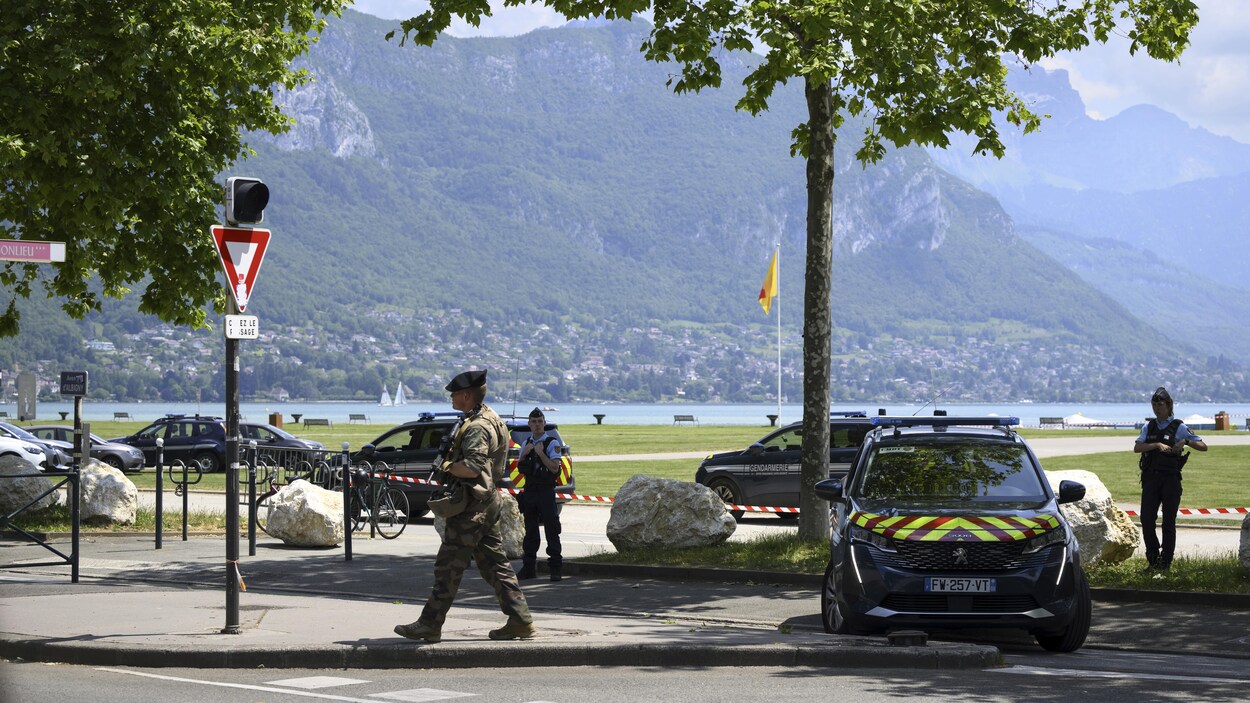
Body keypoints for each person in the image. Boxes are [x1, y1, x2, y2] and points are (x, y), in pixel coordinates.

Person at [394, 368, 536, 642]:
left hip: (471, 507)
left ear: (467, 395)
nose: (451, 398)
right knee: (495, 566)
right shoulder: (490, 417)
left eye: (455, 394)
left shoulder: (478, 427)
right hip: (486, 501)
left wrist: (446, 465)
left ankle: (429, 624)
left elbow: (471, 467)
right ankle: (520, 620)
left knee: (448, 567)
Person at [1133, 386, 1207, 571]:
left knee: (1168, 522)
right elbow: (1137, 447)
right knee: (1146, 520)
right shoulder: (1149, 426)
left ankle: (1165, 562)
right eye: (1154, 405)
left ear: (1168, 406)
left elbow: (1203, 446)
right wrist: (1156, 445)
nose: (1157, 409)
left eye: (1160, 405)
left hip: (1170, 480)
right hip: (1150, 479)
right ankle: (1153, 559)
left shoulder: (1179, 426)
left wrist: (1185, 441)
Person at [516, 407, 564, 582]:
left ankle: (555, 568)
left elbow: (554, 468)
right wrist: (525, 453)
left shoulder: (552, 443)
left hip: (546, 492)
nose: (537, 425)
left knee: (552, 529)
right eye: (534, 422)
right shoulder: (526, 443)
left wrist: (540, 453)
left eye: (540, 422)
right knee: (530, 531)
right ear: (529, 424)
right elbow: (520, 468)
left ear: (544, 424)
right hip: (530, 492)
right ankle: (528, 568)